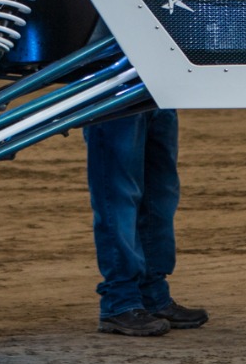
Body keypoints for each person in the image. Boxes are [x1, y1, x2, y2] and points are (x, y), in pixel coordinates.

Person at [82, 108, 208, 336]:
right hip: (115, 90)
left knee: (159, 193)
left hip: (159, 91)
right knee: (119, 194)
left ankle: (153, 295)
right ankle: (121, 300)